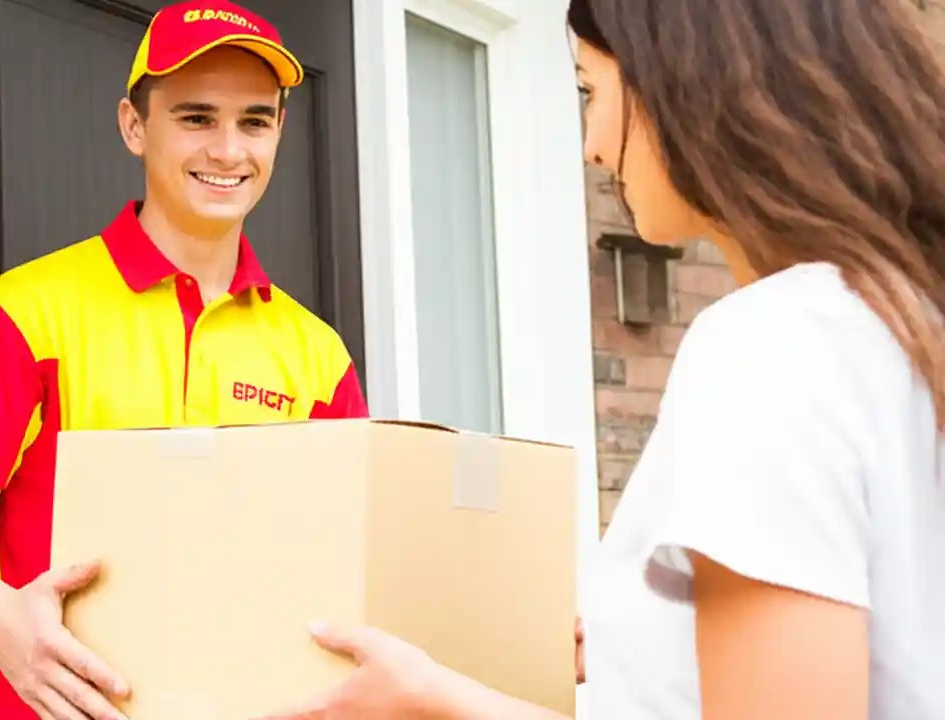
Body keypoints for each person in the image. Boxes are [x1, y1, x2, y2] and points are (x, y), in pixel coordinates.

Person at [259, 0, 945, 718]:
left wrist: (435, 701)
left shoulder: (772, 342)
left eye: (592, 91)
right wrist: (637, 648)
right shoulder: (898, 326)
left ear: (684, 86)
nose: (591, 145)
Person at [0, 2, 369, 719]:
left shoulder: (317, 355)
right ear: (133, 125)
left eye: (254, 120)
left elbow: (347, 560)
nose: (227, 150)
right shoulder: (27, 310)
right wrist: (2, 625)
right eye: (195, 117)